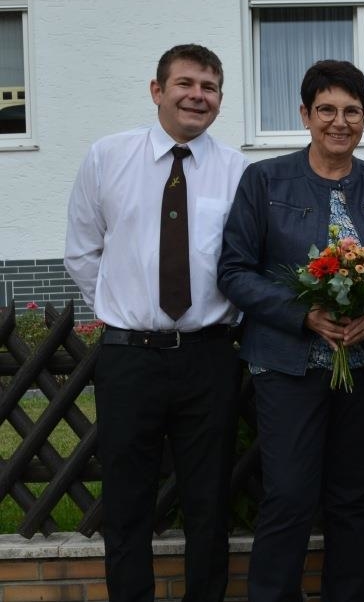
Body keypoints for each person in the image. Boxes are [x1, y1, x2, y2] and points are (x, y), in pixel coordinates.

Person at [64, 44, 246, 602]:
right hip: (129, 358)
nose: (197, 95)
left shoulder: (238, 170)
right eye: (185, 83)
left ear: (219, 99)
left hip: (210, 357)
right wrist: (126, 310)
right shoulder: (107, 157)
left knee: (210, 504)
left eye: (210, 87)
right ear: (156, 90)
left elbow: (245, 260)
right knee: (126, 504)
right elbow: (82, 251)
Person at [217, 60, 364, 601]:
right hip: (287, 363)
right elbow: (233, 271)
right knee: (290, 496)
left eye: (351, 111)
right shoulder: (265, 180)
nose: (338, 122)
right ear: (305, 114)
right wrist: (304, 314)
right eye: (326, 110)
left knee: (352, 500)